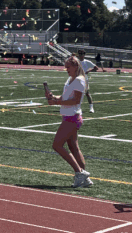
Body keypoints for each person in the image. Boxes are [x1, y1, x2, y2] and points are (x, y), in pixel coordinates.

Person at [44, 55, 92, 188]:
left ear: (76, 66)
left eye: (68, 67)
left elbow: (75, 101)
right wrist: (54, 98)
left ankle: (79, 173)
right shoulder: (71, 79)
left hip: (72, 117)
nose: (66, 69)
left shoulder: (79, 80)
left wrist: (57, 101)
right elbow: (66, 97)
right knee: (74, 148)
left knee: (57, 145)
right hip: (70, 116)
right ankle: (84, 178)